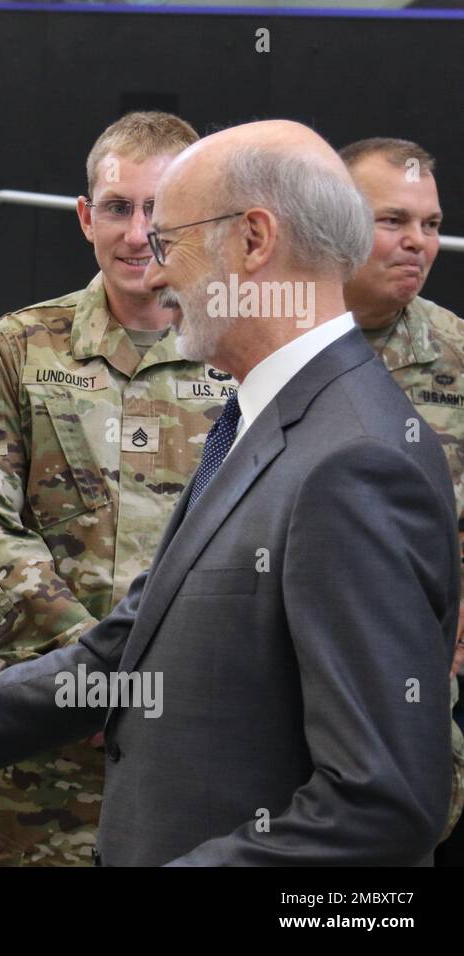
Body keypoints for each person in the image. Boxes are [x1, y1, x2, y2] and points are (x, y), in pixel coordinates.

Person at [0, 119, 458, 866]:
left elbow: (381, 804)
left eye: (172, 239)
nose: (158, 268)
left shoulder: (354, 460)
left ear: (253, 240)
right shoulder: (261, 417)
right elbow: (128, 652)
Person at [0, 111, 227, 866]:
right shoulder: (16, 349)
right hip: (41, 753)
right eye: (118, 208)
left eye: (159, 210)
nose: (138, 233)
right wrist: (88, 675)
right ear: (85, 218)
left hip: (192, 748)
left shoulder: (240, 359)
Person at [340, 136, 464, 839]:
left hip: (400, 692)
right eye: (393, 221)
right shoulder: (255, 336)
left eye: (432, 225)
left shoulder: (456, 357)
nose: (418, 242)